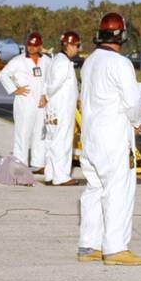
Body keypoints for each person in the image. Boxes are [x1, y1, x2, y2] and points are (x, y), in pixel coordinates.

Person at [78, 12, 141, 265]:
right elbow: (132, 102)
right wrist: (137, 123)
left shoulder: (91, 62)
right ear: (123, 35)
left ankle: (88, 245)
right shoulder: (120, 64)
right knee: (118, 190)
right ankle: (116, 249)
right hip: (113, 138)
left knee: (94, 189)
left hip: (91, 137)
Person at [0, 32, 51, 171]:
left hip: (41, 102)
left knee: (40, 133)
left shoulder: (46, 60)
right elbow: (3, 74)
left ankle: (38, 163)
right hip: (25, 102)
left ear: (40, 46)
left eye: (34, 46)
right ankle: (20, 164)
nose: (31, 48)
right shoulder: (18, 60)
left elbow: (50, 79)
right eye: (29, 45)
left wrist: (46, 95)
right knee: (23, 133)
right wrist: (14, 89)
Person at [41, 31, 81, 185]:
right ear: (69, 45)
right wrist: (46, 96)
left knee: (52, 141)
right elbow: (54, 84)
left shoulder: (57, 60)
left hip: (55, 109)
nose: (77, 49)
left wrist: (46, 96)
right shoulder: (62, 63)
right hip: (61, 109)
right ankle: (61, 176)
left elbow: (48, 84)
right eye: (77, 45)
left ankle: (50, 174)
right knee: (62, 141)